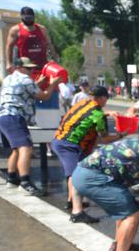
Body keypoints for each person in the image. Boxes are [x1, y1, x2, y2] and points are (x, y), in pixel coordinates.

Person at [52, 86, 122, 223]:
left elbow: (90, 115)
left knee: (75, 172)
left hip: (60, 140)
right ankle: (77, 212)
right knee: (75, 175)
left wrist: (107, 113)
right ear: (102, 98)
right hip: (69, 145)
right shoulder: (98, 114)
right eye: (106, 98)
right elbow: (105, 139)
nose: (106, 101)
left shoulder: (83, 103)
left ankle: (71, 201)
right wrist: (122, 134)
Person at [0, 57, 60, 196]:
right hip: (14, 117)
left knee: (16, 150)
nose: (31, 71)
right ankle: (25, 183)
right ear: (19, 67)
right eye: (28, 68)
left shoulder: (8, 78)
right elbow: (44, 96)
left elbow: (22, 90)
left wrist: (38, 83)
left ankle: (12, 179)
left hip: (2, 117)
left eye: (32, 68)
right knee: (26, 148)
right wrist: (53, 84)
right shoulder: (26, 80)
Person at [4, 7, 58, 74]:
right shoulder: (15, 30)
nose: (29, 20)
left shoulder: (42, 29)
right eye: (27, 18)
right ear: (21, 17)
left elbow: (49, 44)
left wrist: (55, 57)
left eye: (31, 18)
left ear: (34, 17)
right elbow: (9, 46)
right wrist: (8, 63)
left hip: (42, 65)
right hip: (25, 67)